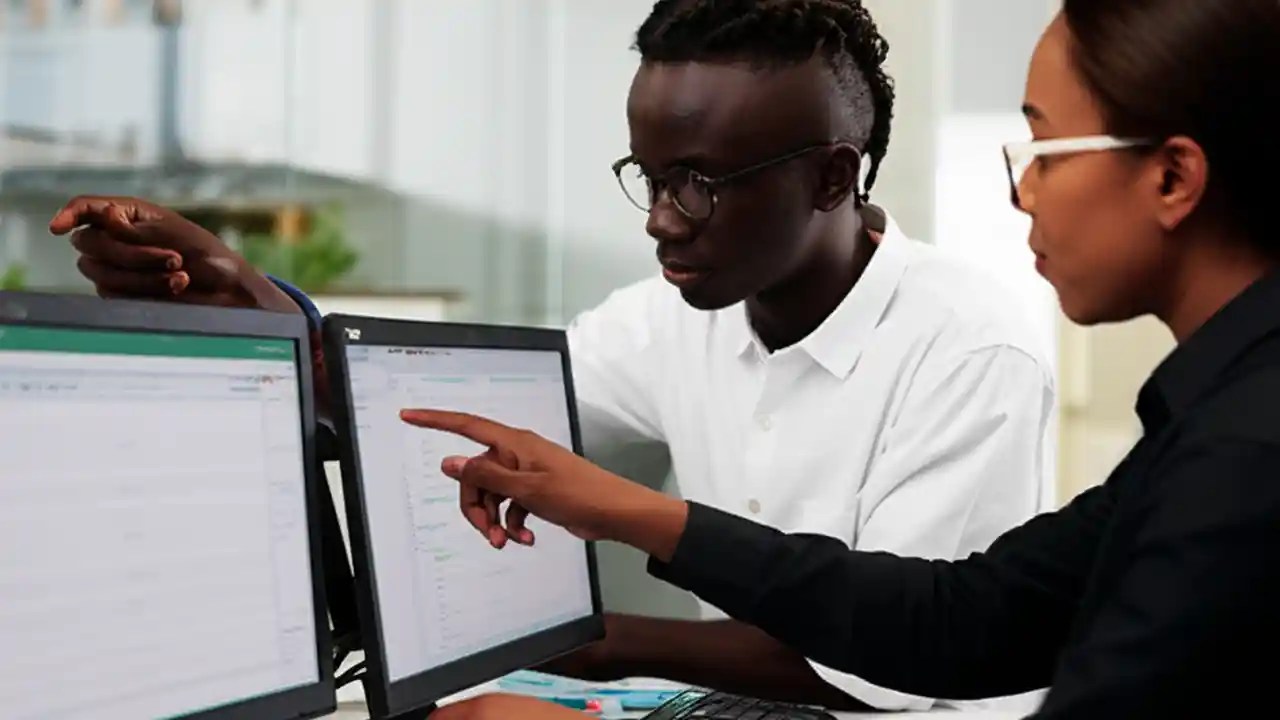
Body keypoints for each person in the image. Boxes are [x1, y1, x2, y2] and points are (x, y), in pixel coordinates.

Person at [49, 0, 1051, 711]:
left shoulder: (968, 351)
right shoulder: (676, 315)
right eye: (648, 177)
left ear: (832, 178)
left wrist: (580, 644)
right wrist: (254, 301)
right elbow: (462, 423)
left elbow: (891, 670)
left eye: (697, 183)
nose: (660, 222)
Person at [408, 0, 1280, 718]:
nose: (1021, 191)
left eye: (1043, 150)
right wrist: (633, 517)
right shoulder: (1205, 424)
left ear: (1174, 179)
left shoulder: (1241, 457)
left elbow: (911, 673)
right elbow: (960, 617)